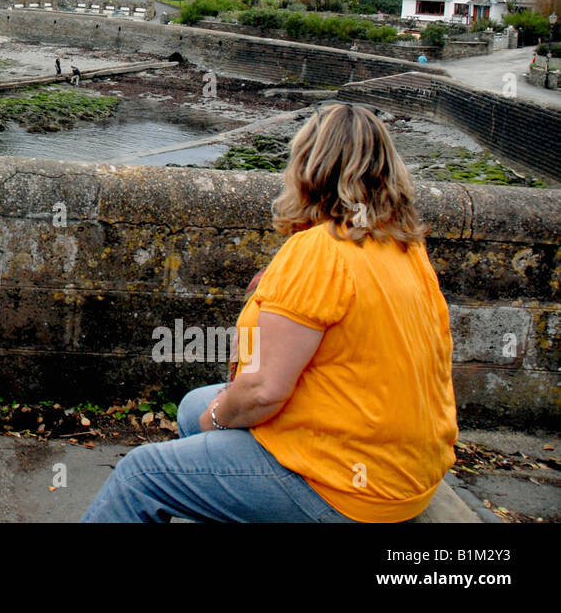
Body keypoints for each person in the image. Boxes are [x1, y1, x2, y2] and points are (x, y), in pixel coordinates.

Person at [81, 104, 457, 523]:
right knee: (191, 405)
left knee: (140, 474)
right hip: (405, 468)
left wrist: (217, 418)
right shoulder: (403, 246)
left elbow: (263, 391)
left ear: (308, 168)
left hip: (350, 488)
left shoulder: (320, 252)